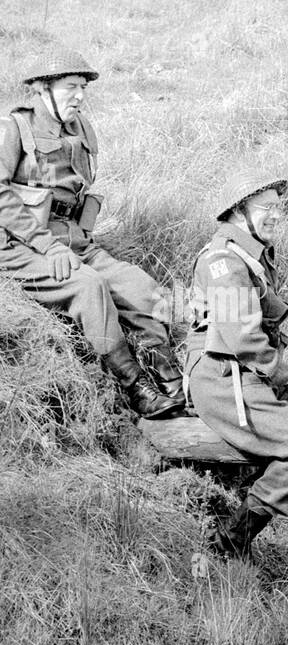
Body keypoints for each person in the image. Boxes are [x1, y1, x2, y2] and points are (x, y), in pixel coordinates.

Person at [0, 47, 184, 418]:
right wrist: (46, 247)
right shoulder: (13, 128)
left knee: (138, 285)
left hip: (75, 238)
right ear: (41, 88)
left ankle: (170, 374)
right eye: (71, 86)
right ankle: (135, 386)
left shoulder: (80, 127)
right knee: (89, 287)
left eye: (83, 86)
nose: (80, 95)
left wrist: (76, 239)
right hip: (21, 244)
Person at [185, 170, 288, 559]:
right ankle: (233, 539)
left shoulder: (252, 254)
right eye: (267, 207)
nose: (276, 216)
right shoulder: (223, 262)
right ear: (238, 211)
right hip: (221, 377)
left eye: (278, 208)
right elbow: (243, 338)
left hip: (248, 371)